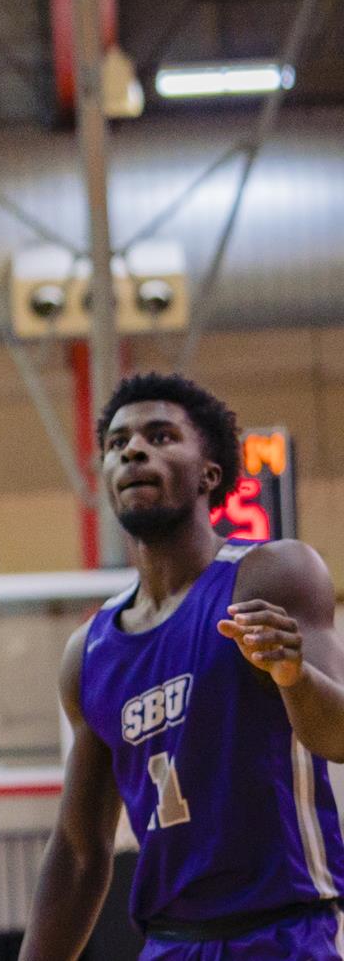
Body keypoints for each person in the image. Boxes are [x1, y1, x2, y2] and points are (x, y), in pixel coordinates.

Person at [21, 371, 344, 957]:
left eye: (161, 436)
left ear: (210, 473)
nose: (134, 450)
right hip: (171, 943)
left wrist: (295, 678)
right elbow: (79, 852)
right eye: (117, 444)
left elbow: (340, 736)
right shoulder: (90, 653)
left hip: (283, 934)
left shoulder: (271, 575)